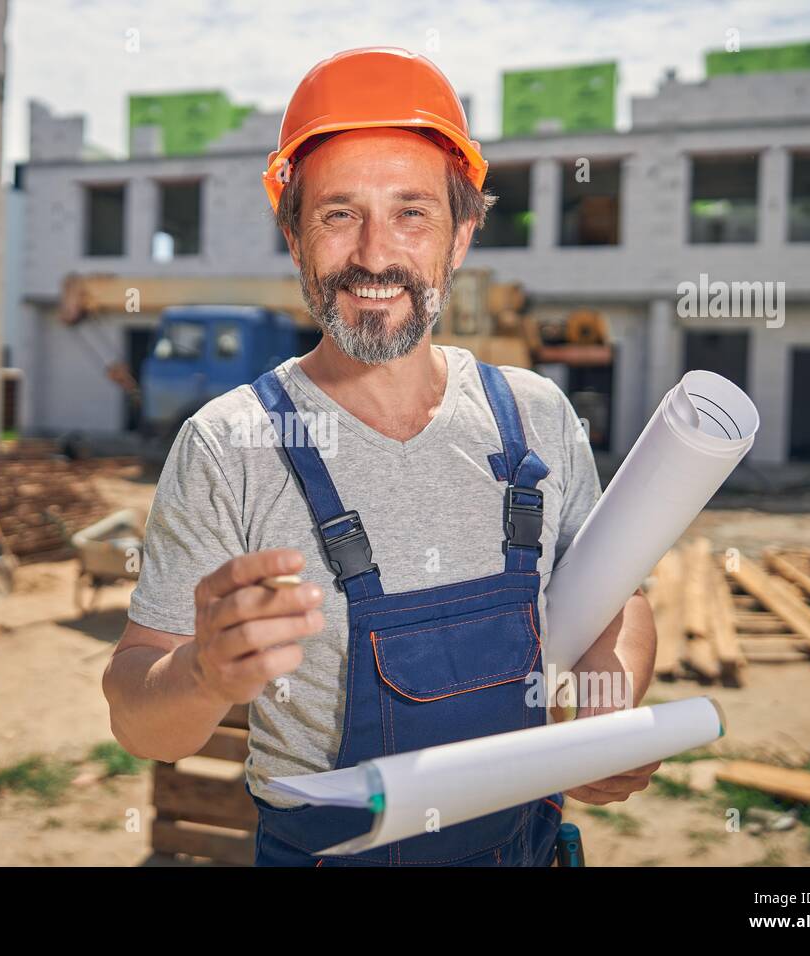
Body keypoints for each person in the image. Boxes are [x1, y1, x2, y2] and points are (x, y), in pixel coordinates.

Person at [103, 47, 658, 866]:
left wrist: (612, 702)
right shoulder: (230, 445)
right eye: (337, 214)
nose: (372, 254)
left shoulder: (535, 416)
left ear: (461, 234)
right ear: (293, 234)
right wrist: (201, 676)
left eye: (411, 213)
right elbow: (137, 718)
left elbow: (620, 598)